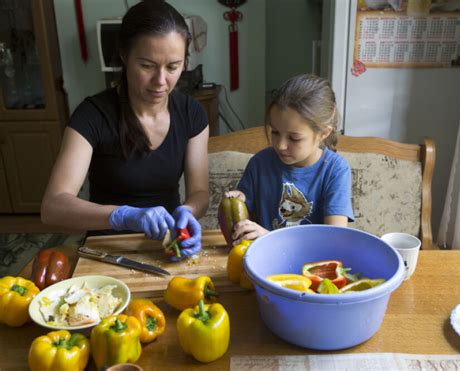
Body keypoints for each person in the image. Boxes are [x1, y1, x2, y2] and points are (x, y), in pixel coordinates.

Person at [41, 0, 209, 259]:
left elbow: (199, 193)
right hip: (108, 248)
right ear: (124, 55)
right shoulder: (92, 115)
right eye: (147, 65)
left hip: (167, 246)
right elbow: (53, 206)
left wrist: (188, 211)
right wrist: (121, 215)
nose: (161, 81)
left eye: (173, 67)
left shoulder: (192, 114)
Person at [228, 74, 354, 245]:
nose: (280, 145)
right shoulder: (260, 163)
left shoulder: (335, 170)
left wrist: (267, 236)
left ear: (323, 133)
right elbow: (243, 224)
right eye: (275, 132)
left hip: (312, 265)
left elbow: (334, 239)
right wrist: (236, 202)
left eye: (294, 138)